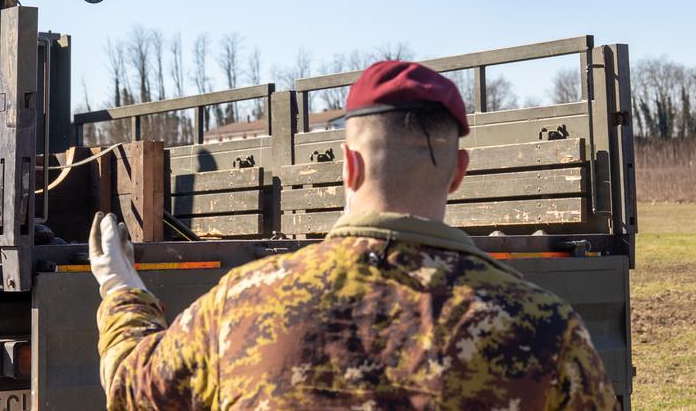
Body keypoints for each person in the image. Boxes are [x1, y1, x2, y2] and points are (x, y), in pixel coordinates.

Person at [90, 60, 620, 409]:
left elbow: (131, 387)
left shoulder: (239, 307)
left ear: (347, 165)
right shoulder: (543, 327)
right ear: (458, 172)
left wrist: (121, 289)